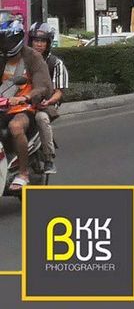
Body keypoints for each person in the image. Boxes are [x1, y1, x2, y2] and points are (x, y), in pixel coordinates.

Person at [0, 16, 52, 190]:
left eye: (7, 40)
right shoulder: (1, 57)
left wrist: (25, 97)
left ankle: (23, 173)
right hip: (2, 106)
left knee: (15, 127)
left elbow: (44, 86)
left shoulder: (33, 57)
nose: (4, 44)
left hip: (23, 107)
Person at [29, 22, 68, 174]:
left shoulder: (55, 63)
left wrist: (49, 101)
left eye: (42, 41)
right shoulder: (22, 61)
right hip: (23, 102)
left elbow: (59, 92)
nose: (39, 44)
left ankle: (48, 159)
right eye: (36, 40)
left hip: (47, 103)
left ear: (48, 43)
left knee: (41, 119)